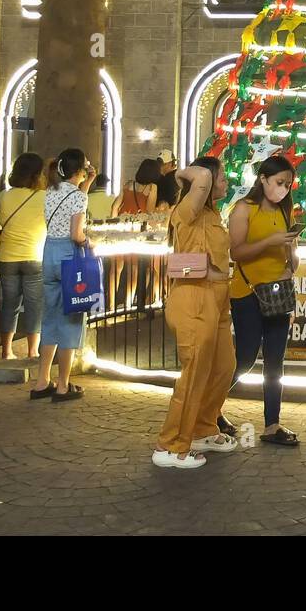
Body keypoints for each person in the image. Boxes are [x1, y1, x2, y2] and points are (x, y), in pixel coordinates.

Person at [153, 156, 239, 469]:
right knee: (194, 372)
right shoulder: (185, 210)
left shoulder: (212, 215)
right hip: (193, 297)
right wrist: (177, 173)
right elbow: (201, 176)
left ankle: (202, 428)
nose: (224, 182)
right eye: (222, 176)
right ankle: (171, 445)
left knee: (223, 367)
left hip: (218, 300)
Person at [227, 155, 301, 446]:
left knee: (275, 361)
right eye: (279, 182)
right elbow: (237, 252)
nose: (283, 189)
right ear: (263, 179)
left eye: (288, 184)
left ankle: (272, 424)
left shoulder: (285, 212)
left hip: (278, 292)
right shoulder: (244, 209)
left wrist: (291, 252)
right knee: (244, 357)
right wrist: (269, 243)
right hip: (247, 292)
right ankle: (210, 409)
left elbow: (293, 258)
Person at [33, 148, 96, 401]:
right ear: (79, 169)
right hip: (69, 257)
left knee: (49, 318)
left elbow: (73, 200)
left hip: (48, 253)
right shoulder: (78, 198)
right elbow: (76, 235)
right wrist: (89, 242)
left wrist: (88, 183)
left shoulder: (51, 191)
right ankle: (63, 384)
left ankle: (41, 381)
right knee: (71, 319)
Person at [0, 152, 48, 361]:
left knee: (9, 304)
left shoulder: (3, 196)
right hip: (35, 256)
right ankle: (32, 351)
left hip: (7, 256)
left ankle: (6, 351)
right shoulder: (44, 197)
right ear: (38, 174)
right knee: (35, 305)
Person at [109, 158, 160, 311]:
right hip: (137, 232)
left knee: (115, 268)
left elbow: (115, 206)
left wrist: (114, 226)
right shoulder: (152, 188)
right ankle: (129, 304)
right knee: (134, 268)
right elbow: (149, 213)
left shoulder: (128, 185)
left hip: (122, 229)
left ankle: (111, 305)